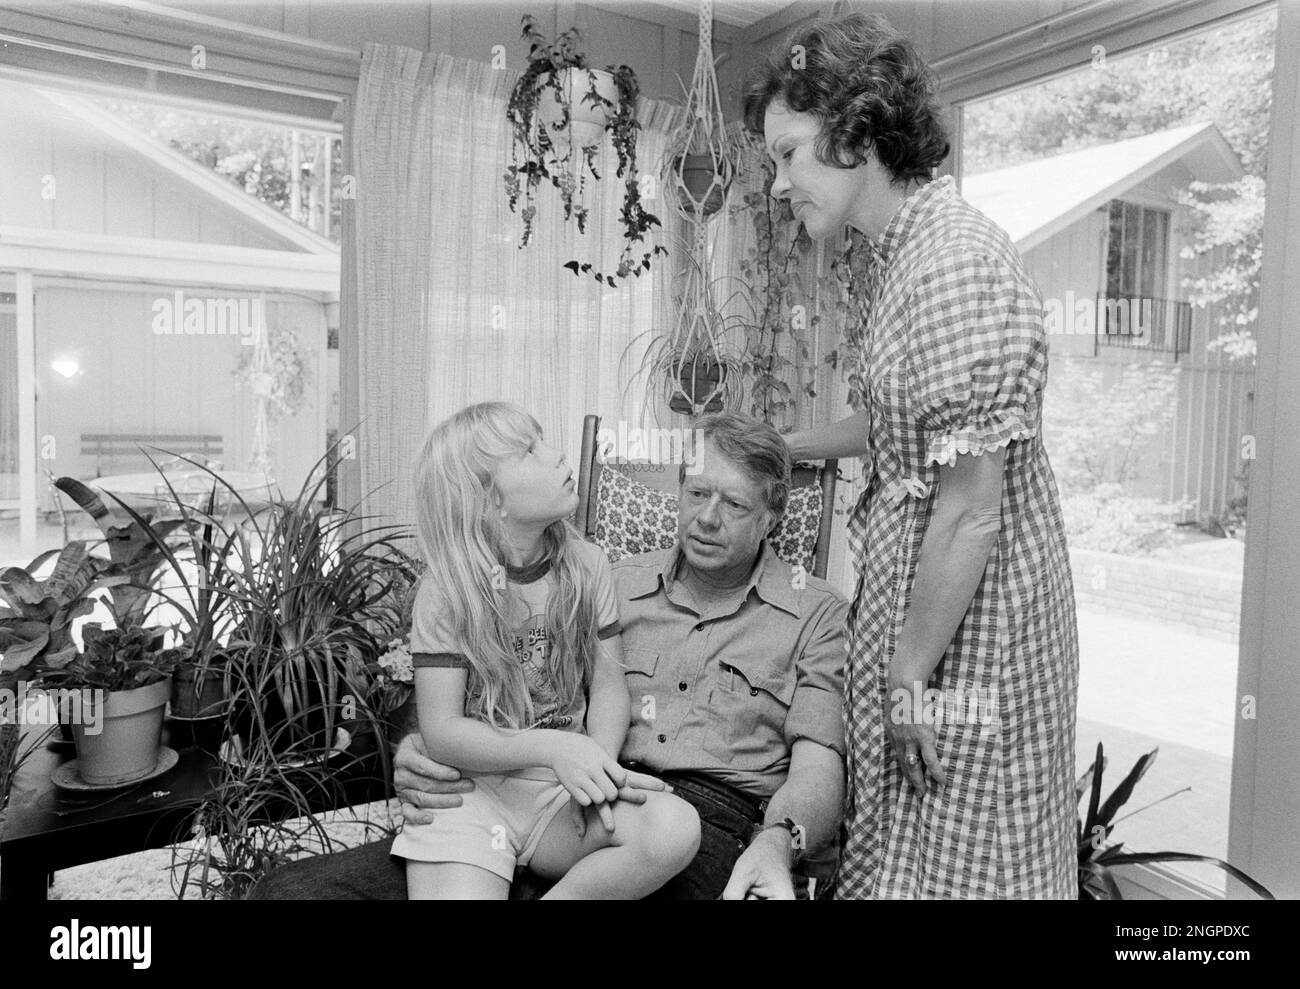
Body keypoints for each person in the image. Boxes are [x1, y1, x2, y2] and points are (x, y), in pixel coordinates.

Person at [742, 12, 1080, 898]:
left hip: (971, 630)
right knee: (914, 850)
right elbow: (903, 420)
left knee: (967, 853)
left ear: (855, 132)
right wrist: (786, 444)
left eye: (788, 154)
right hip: (930, 618)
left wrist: (907, 674)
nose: (778, 184)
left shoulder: (954, 265)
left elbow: (970, 508)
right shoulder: (902, 255)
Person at [248, 412, 848, 900]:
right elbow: (482, 693)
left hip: (699, 819)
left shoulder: (817, 613)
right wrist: (421, 747)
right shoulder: (608, 574)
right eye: (695, 493)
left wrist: (780, 839)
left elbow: (819, 767)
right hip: (538, 790)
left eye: (736, 506)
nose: (707, 518)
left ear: (773, 517)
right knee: (293, 893)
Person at [393, 402, 700, 898]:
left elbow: (607, 689)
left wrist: (594, 772)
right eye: (531, 451)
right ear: (489, 500)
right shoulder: (446, 591)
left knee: (674, 827)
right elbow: (443, 732)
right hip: (469, 798)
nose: (558, 457)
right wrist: (558, 747)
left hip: (561, 800)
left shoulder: (587, 565)